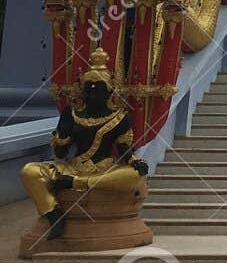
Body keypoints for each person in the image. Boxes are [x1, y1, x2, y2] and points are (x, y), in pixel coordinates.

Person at [20, 49, 146, 241]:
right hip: (73, 166)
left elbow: (125, 151)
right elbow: (60, 153)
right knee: (29, 171)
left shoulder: (120, 117)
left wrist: (135, 161)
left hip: (103, 169)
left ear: (110, 90)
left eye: (99, 87)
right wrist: (63, 132)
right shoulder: (72, 114)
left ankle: (77, 184)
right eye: (89, 87)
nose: (93, 92)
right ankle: (53, 213)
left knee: (134, 176)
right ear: (81, 89)